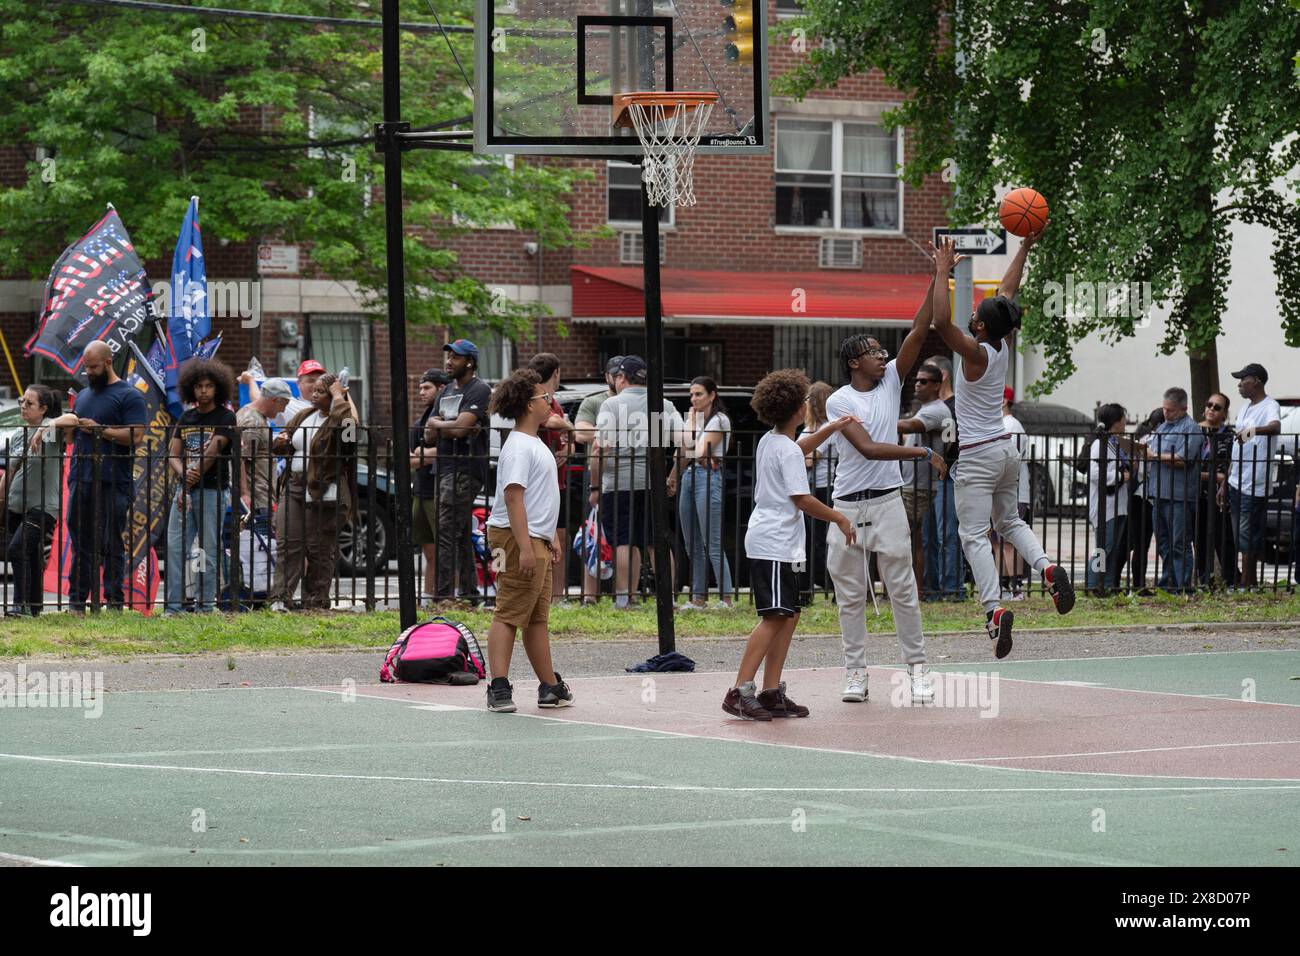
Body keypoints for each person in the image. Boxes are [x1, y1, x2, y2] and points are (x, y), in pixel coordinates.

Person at [929, 229, 1073, 658]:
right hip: (1005, 449)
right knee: (1010, 523)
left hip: (975, 455)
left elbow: (939, 322)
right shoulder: (1003, 338)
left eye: (974, 313)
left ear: (978, 325)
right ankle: (1046, 569)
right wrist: (1024, 246)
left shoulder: (973, 352)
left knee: (974, 533)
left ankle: (994, 610)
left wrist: (941, 272)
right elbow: (1008, 291)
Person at [824, 242, 952, 704]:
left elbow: (921, 327)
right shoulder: (840, 400)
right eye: (874, 353)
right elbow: (870, 449)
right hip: (847, 508)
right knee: (851, 596)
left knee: (902, 588)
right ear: (855, 362)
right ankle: (855, 673)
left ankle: (918, 669)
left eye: (884, 351)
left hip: (886, 502)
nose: (884, 356)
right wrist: (920, 454)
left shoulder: (893, 380)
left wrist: (939, 274)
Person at [723, 369, 858, 720]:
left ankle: (770, 691)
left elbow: (799, 448)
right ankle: (740, 690)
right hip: (773, 541)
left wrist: (831, 428)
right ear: (795, 409)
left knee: (790, 614)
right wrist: (840, 517)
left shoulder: (773, 441)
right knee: (774, 616)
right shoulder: (785, 450)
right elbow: (802, 498)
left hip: (777, 541)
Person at [482, 368, 573, 713]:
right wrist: (523, 547)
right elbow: (514, 498)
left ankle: (550, 686)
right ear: (526, 404)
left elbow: (538, 499)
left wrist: (549, 537)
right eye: (542, 397)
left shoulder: (533, 443)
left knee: (536, 617)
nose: (549, 400)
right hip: (515, 538)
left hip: (534, 537)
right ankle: (499, 687)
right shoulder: (520, 446)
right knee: (508, 611)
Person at [56, 341, 148, 611]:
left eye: (93, 367)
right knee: (81, 541)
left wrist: (100, 430)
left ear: (108, 362)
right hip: (81, 476)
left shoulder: (129, 395)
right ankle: (77, 600)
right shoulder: (84, 394)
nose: (89, 372)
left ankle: (114, 600)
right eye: (86, 368)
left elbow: (136, 435)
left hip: (113, 480)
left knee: (110, 541)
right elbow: (74, 432)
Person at [592, 355, 684, 608]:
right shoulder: (664, 405)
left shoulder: (611, 405)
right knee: (658, 541)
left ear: (622, 377)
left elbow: (601, 448)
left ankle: (625, 597)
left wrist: (595, 485)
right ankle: (668, 597)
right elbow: (685, 444)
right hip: (653, 483)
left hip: (618, 482)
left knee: (624, 540)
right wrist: (672, 475)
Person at [272, 373, 356, 610]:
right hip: (295, 485)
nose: (314, 394)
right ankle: (280, 598)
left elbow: (348, 438)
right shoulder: (304, 415)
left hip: (323, 489)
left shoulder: (344, 419)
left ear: (334, 395)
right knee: (288, 543)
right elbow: (286, 436)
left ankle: (316, 600)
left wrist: (340, 396)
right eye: (314, 390)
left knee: (320, 547)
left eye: (321, 392)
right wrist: (282, 441)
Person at [165, 359, 238, 614]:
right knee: (175, 547)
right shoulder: (186, 417)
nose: (204, 391)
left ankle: (205, 604)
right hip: (184, 490)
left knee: (208, 548)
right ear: (190, 389)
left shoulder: (226, 416)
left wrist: (192, 474)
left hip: (212, 491)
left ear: (218, 388)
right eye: (198, 386)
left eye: (208, 386)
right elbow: (172, 454)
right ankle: (173, 607)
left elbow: (213, 452)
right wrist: (184, 474)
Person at [426, 339, 492, 602]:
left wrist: (441, 423)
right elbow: (429, 435)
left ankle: (443, 595)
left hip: (466, 468)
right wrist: (443, 424)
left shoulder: (479, 390)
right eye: (448, 356)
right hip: (444, 467)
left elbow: (461, 429)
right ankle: (468, 592)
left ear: (470, 362)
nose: (449, 361)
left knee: (445, 531)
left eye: (455, 357)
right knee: (461, 531)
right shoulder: (444, 392)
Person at [1, 386, 64, 615]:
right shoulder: (19, 433)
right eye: (21, 401)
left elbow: (74, 418)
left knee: (17, 550)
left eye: (29, 403)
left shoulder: (52, 430)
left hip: (42, 507)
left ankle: (20, 605)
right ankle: (35, 606)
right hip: (16, 505)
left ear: (44, 408)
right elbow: (10, 470)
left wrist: (47, 426)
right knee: (32, 554)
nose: (23, 407)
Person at [671, 376, 733, 608]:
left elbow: (696, 449)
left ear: (712, 395)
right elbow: (685, 451)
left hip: (709, 477)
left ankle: (726, 597)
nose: (693, 399)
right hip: (690, 477)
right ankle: (698, 598)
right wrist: (672, 477)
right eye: (691, 394)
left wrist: (692, 431)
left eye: (698, 394)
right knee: (692, 542)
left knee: (712, 541)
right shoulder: (695, 419)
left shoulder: (719, 420)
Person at [1220, 363, 1281, 590]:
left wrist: (1253, 431)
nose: (1239, 385)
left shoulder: (1270, 405)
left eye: (1243, 380)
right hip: (1237, 480)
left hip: (1254, 482)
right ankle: (1250, 580)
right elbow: (1237, 450)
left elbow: (1275, 427)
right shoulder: (1244, 408)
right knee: (1239, 534)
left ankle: (1247, 583)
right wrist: (1225, 482)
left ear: (1255, 381)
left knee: (1247, 532)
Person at [572, 356, 623, 604]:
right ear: (607, 377)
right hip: (598, 476)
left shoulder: (637, 402)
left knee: (626, 537)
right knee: (593, 535)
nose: (621, 379)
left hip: (627, 477)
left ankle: (623, 594)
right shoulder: (594, 401)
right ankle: (590, 596)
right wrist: (615, 431)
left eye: (625, 375)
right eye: (616, 374)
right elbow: (580, 432)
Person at [235, 377, 292, 596]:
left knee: (260, 548)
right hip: (256, 498)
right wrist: (245, 494)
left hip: (262, 494)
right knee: (256, 550)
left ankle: (258, 592)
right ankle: (256, 594)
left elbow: (256, 450)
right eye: (283, 405)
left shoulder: (257, 415)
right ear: (275, 400)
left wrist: (273, 443)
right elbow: (241, 458)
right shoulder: (251, 421)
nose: (282, 412)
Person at [1143, 387, 1202, 593]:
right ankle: (1168, 580)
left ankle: (1182, 585)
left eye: (1171, 410)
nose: (1166, 413)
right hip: (1159, 492)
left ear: (1184, 408)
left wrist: (1154, 456)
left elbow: (1183, 459)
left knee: (1180, 542)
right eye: (1164, 409)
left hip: (1179, 495)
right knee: (1163, 542)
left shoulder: (1191, 428)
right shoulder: (1164, 427)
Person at [896, 365, 947, 597]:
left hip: (918, 487)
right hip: (912, 484)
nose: (917, 384)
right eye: (916, 380)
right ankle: (915, 590)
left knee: (903, 538)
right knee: (912, 539)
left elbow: (908, 426)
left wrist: (876, 420)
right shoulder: (928, 408)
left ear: (937, 385)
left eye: (924, 381)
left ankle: (913, 590)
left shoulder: (936, 410)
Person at [528, 352, 575, 603]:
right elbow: (553, 422)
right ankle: (541, 595)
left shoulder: (554, 400)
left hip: (558, 483)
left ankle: (557, 596)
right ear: (556, 372)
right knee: (541, 540)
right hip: (539, 484)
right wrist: (571, 427)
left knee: (560, 541)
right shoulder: (537, 397)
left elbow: (568, 443)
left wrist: (568, 449)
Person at [921, 356, 964, 599]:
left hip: (948, 476)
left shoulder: (954, 406)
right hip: (928, 479)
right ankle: (933, 588)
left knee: (946, 533)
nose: (920, 383)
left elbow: (953, 443)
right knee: (929, 537)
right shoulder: (930, 407)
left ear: (942, 377)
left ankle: (951, 588)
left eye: (927, 377)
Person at [410, 368, 449, 605]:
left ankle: (446, 594)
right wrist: (428, 454)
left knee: (445, 547)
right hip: (420, 489)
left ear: (441, 389)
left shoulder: (447, 418)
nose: (421, 392)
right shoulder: (420, 421)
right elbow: (411, 460)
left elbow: (450, 453)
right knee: (429, 550)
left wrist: (426, 453)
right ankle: (427, 596)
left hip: (439, 489)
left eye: (427, 387)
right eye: (420, 387)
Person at [1085, 404, 1131, 594]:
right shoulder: (1100, 444)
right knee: (1104, 548)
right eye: (1123, 417)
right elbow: (1095, 473)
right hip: (1105, 505)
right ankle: (1094, 583)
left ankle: (1110, 585)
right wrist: (1120, 476)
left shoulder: (1116, 442)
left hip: (1119, 504)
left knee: (1114, 549)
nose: (1125, 421)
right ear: (1116, 421)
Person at [1195, 392, 1235, 588]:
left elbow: (1235, 463)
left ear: (1224, 413)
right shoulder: (1193, 431)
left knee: (1224, 538)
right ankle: (1204, 580)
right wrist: (1213, 477)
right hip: (1197, 493)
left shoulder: (1229, 435)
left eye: (1217, 407)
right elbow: (1189, 466)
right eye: (1209, 404)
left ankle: (1231, 579)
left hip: (1221, 495)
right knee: (1200, 539)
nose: (1211, 409)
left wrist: (1223, 479)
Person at [997, 387, 1033, 597]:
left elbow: (1011, 458)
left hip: (1015, 490)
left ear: (1003, 400)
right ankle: (1002, 585)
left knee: (1009, 540)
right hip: (1003, 490)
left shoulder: (1012, 425)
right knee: (998, 541)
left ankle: (1016, 587)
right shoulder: (1001, 424)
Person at [801, 380, 835, 593]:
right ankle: (817, 583)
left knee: (824, 541)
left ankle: (831, 584)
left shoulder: (826, 429)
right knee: (811, 541)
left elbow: (809, 459)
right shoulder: (809, 429)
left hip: (824, 487)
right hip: (810, 488)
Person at [1125, 408, 1163, 592]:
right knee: (1150, 543)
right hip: (1148, 496)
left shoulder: (1142, 441)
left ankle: (1138, 584)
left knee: (1140, 545)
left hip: (1139, 496)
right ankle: (1142, 585)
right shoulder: (1156, 442)